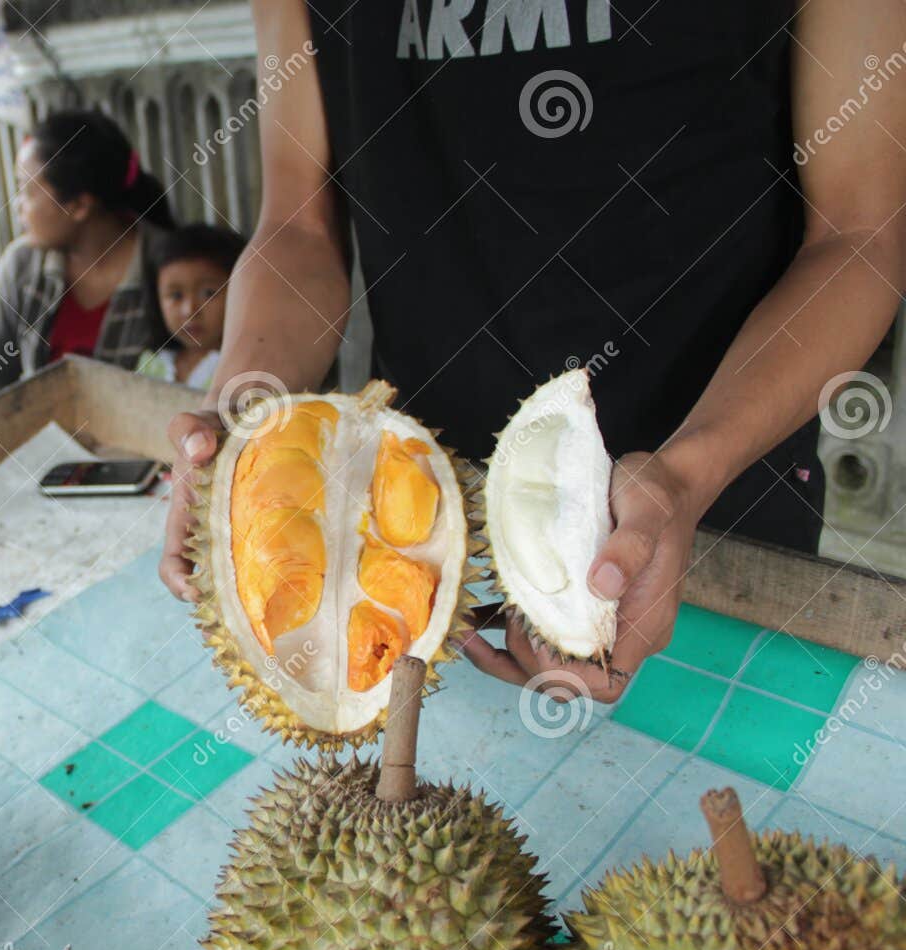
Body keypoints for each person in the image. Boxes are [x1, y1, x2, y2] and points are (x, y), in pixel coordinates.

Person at [160, 0, 906, 704]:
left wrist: (689, 472)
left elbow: (860, 234)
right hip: (418, 546)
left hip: (719, 516)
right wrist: (243, 420)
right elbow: (297, 226)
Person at [0, 110, 173, 391]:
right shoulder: (22, 265)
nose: (18, 207)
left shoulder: (169, 267)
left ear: (79, 206)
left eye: (26, 191)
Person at [136, 224, 247, 391]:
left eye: (209, 293)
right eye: (176, 296)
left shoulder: (243, 368)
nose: (190, 311)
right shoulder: (151, 363)